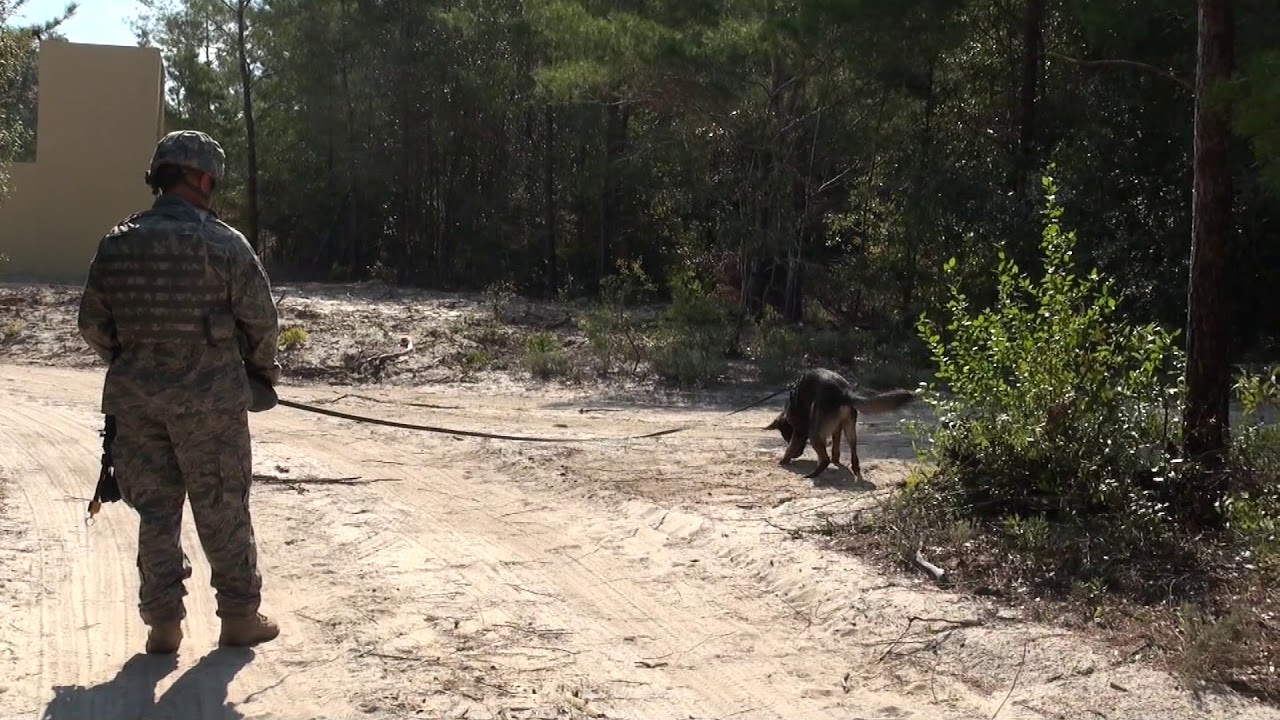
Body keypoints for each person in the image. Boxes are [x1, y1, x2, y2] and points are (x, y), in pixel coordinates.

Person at [77, 129, 282, 654]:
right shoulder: (224, 244)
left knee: (156, 512)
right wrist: (257, 376)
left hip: (137, 404)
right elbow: (261, 321)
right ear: (200, 177)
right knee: (223, 508)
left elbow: (93, 325)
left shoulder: (117, 243)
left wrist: (137, 362)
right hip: (211, 406)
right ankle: (239, 617)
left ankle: (163, 626)